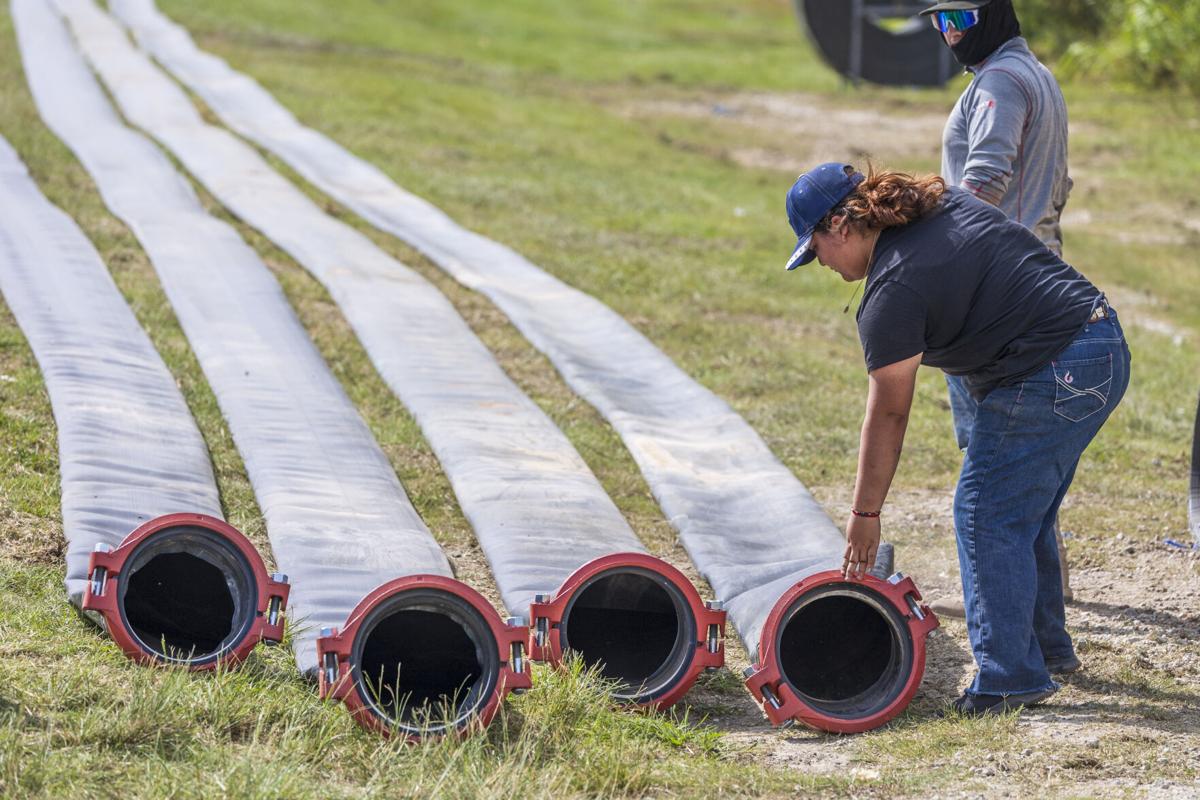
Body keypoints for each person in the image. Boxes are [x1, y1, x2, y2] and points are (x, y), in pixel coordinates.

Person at [782, 162, 1130, 715]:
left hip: (1056, 367)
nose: (820, 262)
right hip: (1100, 345)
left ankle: (1008, 678)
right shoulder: (936, 207)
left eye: (816, 248)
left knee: (985, 512)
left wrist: (864, 515)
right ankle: (1044, 649)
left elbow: (889, 414)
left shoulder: (892, 290)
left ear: (841, 226)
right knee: (1022, 511)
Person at [923, 0, 1076, 616]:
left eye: (958, 19)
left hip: (997, 288)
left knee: (992, 466)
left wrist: (937, 251)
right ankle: (1044, 600)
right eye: (939, 22)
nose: (949, 34)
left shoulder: (1000, 82)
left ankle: (1013, 622)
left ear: (992, 14)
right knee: (1023, 460)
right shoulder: (1033, 72)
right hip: (1032, 272)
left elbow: (984, 179)